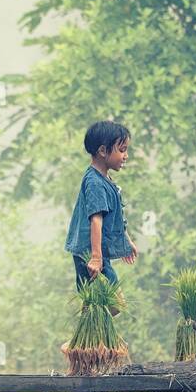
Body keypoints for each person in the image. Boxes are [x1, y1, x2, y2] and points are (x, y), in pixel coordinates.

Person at [64, 119, 138, 292]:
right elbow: (96, 220)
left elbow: (116, 215)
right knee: (104, 303)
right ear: (103, 151)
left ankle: (94, 318)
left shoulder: (104, 180)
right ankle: (91, 318)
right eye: (122, 150)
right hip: (89, 254)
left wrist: (126, 241)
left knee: (103, 304)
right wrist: (96, 258)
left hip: (97, 252)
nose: (126, 156)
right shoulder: (94, 182)